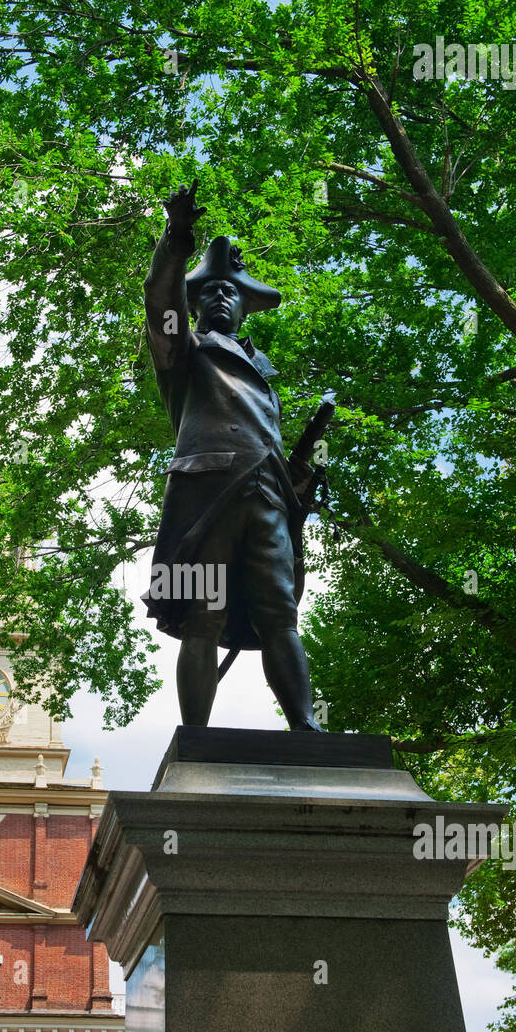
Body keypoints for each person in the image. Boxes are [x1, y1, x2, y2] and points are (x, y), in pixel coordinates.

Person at [143, 179, 322, 730]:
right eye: (209, 290)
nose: (221, 295)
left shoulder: (264, 374)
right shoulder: (184, 353)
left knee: (280, 618)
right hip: (208, 495)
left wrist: (303, 462)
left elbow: (264, 444)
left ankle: (306, 728)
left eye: (231, 291)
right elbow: (159, 302)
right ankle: (195, 737)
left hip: (268, 498)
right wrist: (176, 240)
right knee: (204, 619)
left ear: (246, 306)